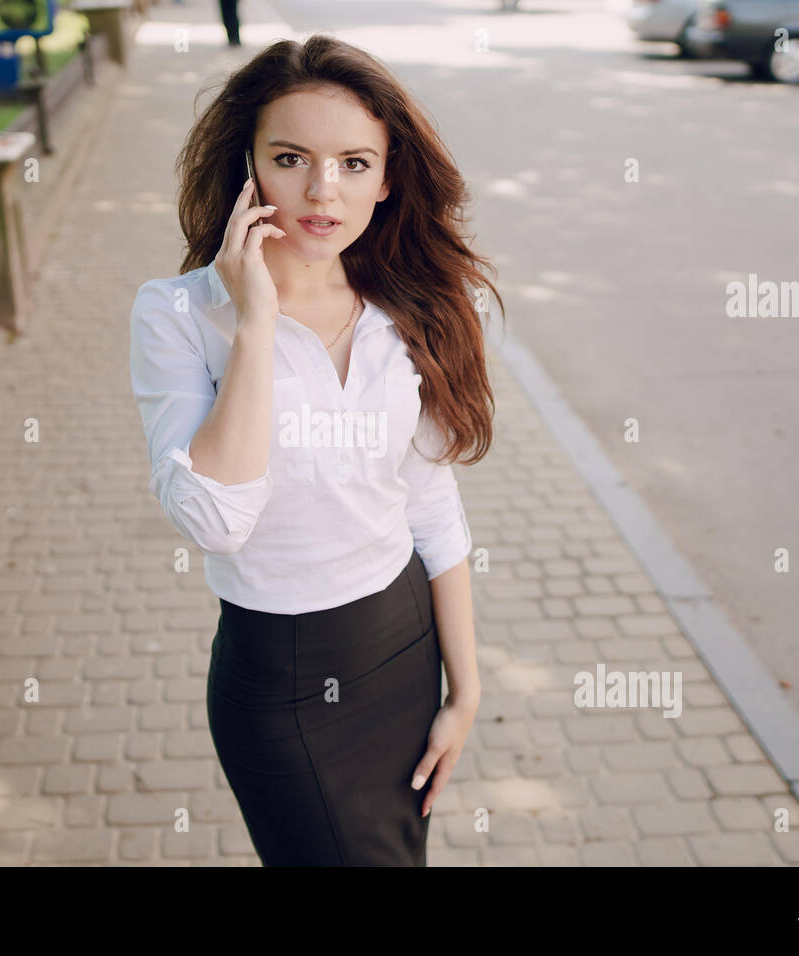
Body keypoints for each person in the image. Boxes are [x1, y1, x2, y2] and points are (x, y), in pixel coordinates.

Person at [128, 34, 504, 866]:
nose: (323, 190)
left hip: (403, 647)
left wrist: (466, 686)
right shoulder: (177, 315)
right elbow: (215, 523)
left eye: (355, 163)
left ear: (388, 177)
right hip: (281, 674)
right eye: (292, 157)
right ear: (249, 165)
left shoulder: (413, 308)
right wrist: (256, 325)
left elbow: (431, 507)